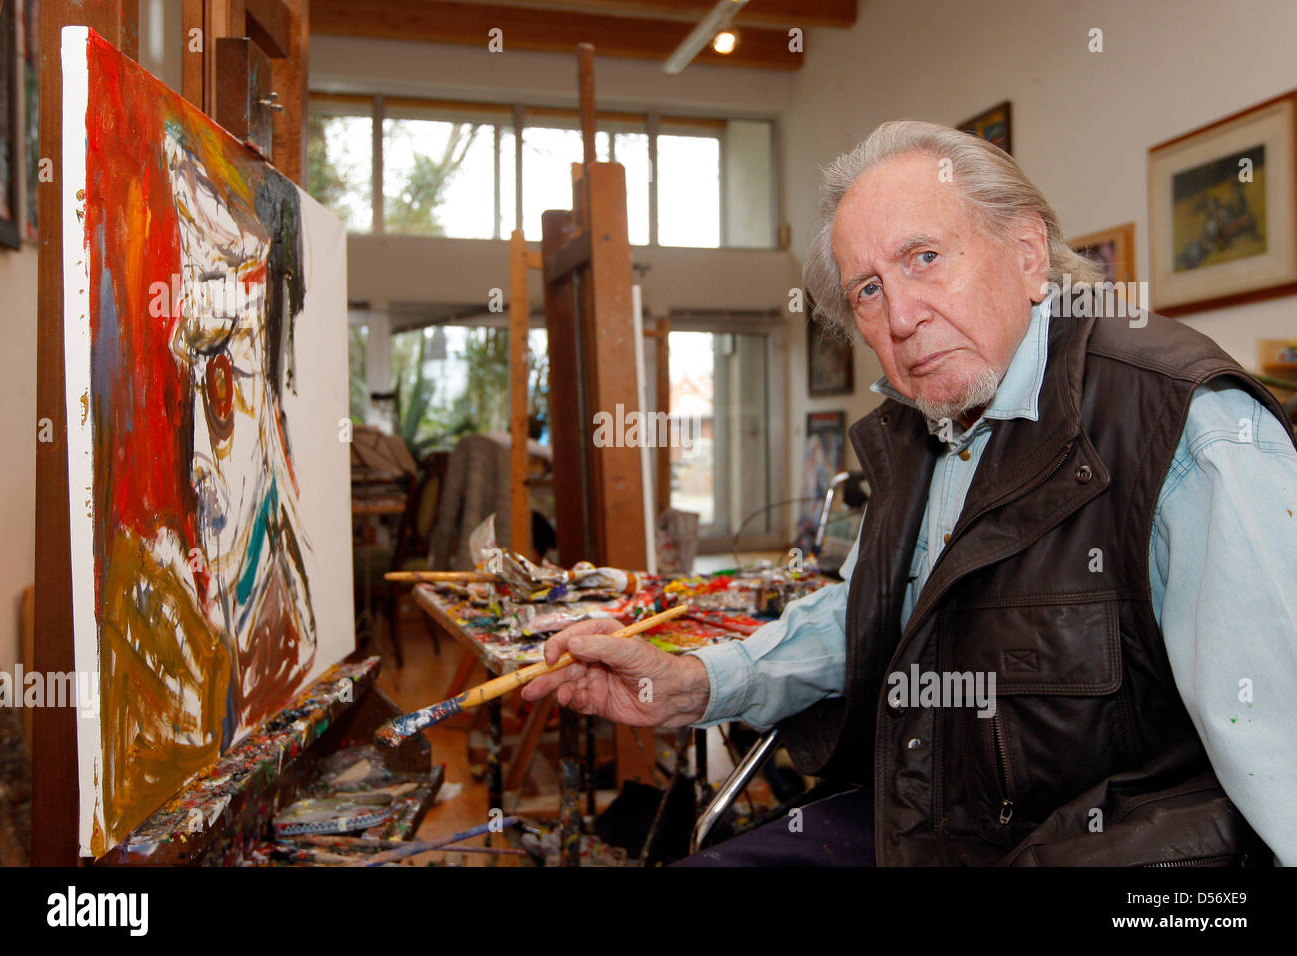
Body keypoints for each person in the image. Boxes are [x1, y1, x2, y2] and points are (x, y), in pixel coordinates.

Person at [522, 121, 1297, 866]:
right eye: (867, 290)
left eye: (924, 257)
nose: (900, 317)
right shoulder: (929, 424)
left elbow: (1281, 761)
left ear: (1029, 255)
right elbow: (866, 612)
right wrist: (695, 684)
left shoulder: (1190, 430)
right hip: (927, 819)